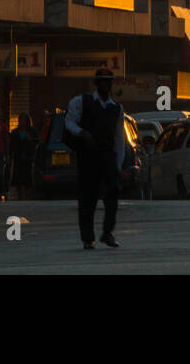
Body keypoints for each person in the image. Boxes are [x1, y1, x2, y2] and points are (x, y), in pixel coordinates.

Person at [64, 68, 126, 249]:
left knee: (113, 191)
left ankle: (107, 232)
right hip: (88, 156)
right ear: (96, 83)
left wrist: (118, 165)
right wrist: (82, 133)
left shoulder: (116, 109)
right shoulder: (81, 101)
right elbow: (69, 122)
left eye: (108, 81)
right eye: (102, 81)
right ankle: (87, 238)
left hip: (107, 156)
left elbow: (119, 138)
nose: (106, 84)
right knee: (87, 198)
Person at [9, 113, 39, 200]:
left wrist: (29, 139)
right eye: (20, 120)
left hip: (28, 159)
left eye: (23, 120)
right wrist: (10, 157)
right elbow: (12, 146)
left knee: (27, 181)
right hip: (18, 159)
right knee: (19, 180)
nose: (21, 122)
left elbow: (37, 142)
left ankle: (27, 198)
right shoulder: (15, 132)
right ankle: (20, 198)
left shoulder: (32, 131)